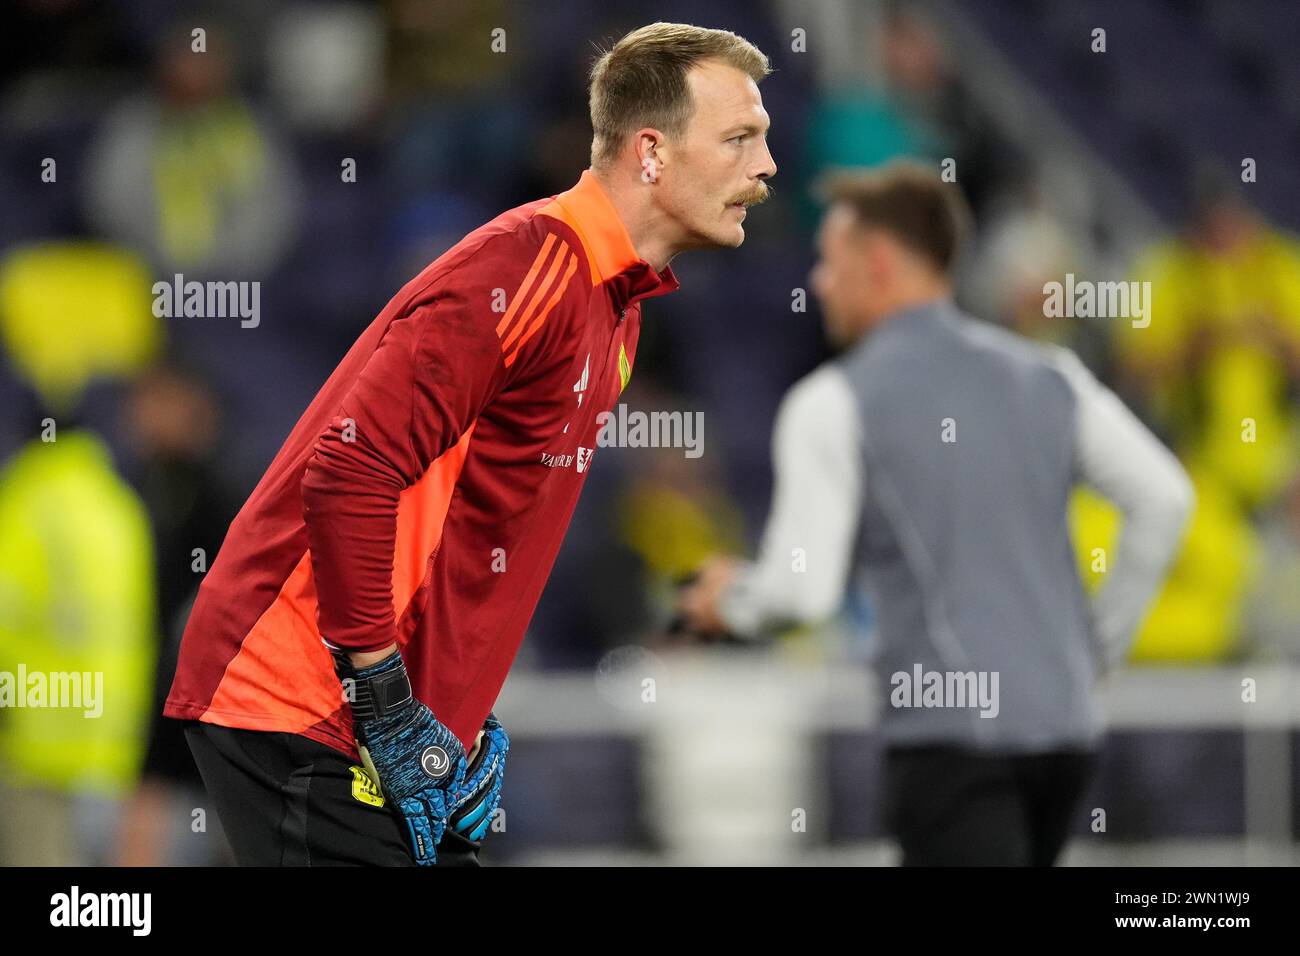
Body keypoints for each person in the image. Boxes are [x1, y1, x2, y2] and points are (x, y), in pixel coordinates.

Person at [164, 21, 776, 867]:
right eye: (740, 138)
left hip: (371, 710)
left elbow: (467, 528)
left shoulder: (615, 311)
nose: (768, 166)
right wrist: (385, 698)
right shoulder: (529, 267)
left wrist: (455, 708)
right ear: (650, 152)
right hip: (300, 695)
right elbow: (348, 471)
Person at [678, 163, 1193, 866]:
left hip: (953, 743)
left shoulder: (832, 402)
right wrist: (1095, 652)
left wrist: (730, 601)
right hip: (1065, 735)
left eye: (831, 262)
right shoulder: (1051, 377)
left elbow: (805, 591)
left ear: (880, 265)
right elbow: (1165, 500)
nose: (819, 283)